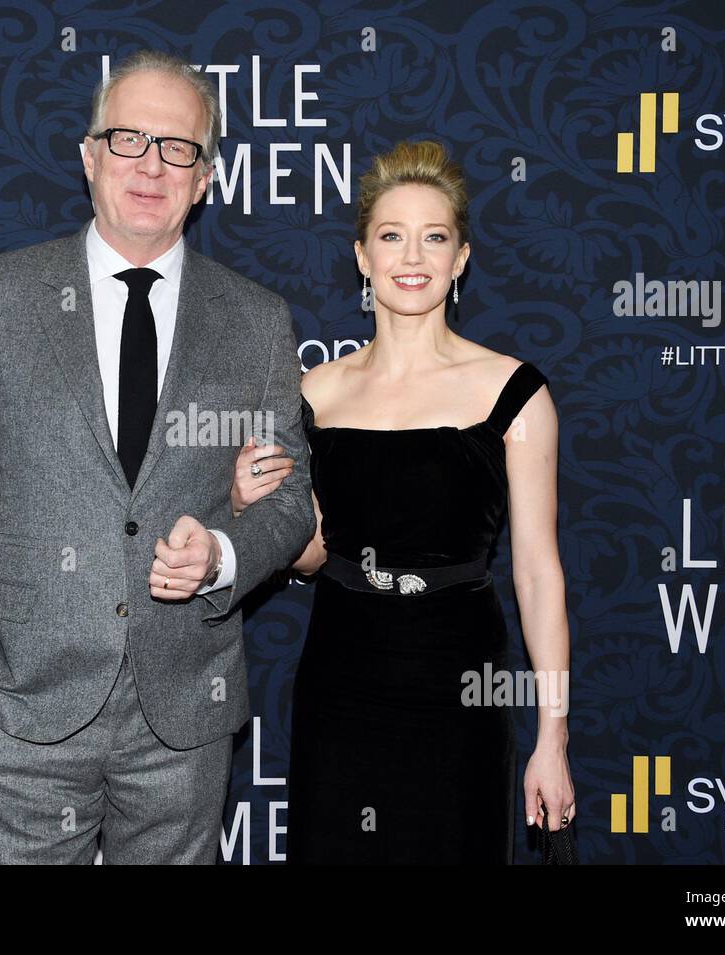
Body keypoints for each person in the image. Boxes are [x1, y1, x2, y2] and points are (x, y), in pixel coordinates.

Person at [0, 49, 316, 864]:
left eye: (178, 148)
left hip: (184, 708)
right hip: (20, 701)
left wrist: (225, 553)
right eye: (128, 139)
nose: (151, 166)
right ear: (89, 154)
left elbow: (290, 495)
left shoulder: (256, 320)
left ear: (206, 178)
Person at [231, 140, 576, 863]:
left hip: (462, 687)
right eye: (391, 235)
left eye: (434, 237)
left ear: (461, 258)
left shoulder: (514, 392)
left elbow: (538, 574)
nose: (411, 256)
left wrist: (553, 735)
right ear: (362, 256)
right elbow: (311, 552)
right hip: (342, 681)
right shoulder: (314, 395)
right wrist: (250, 507)